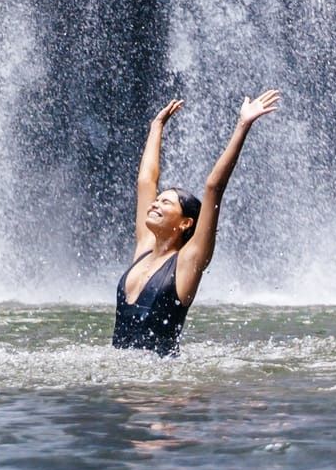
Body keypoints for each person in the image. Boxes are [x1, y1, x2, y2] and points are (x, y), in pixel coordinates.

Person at [114, 88, 280, 355]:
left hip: (163, 387)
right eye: (158, 201)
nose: (155, 203)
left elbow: (214, 186)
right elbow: (146, 181)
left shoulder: (188, 263)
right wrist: (156, 126)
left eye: (166, 203)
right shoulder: (145, 248)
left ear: (185, 223)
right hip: (124, 381)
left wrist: (243, 125)